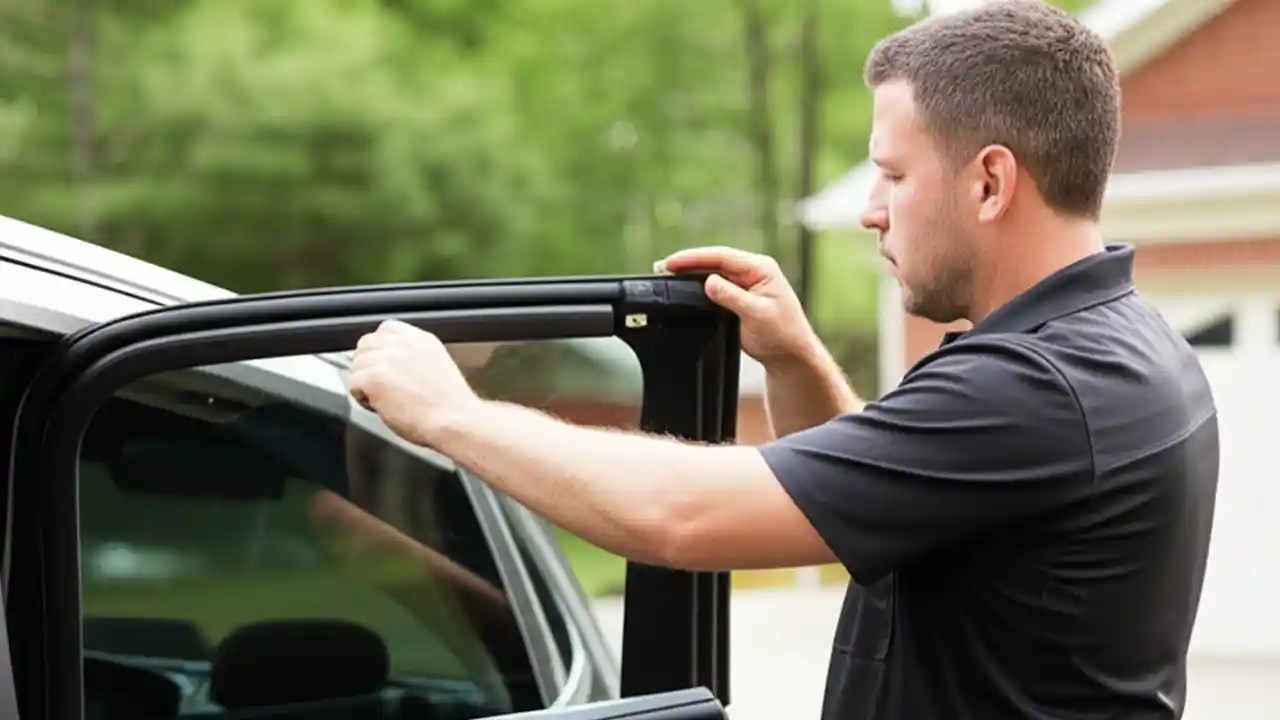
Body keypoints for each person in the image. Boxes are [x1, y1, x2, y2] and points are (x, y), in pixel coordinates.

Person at [348, 1, 1219, 717]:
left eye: (894, 176)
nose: (873, 210)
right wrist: (796, 360)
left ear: (990, 182)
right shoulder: (1123, 347)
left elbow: (679, 519)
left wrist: (451, 413)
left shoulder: (1036, 389)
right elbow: (889, 509)